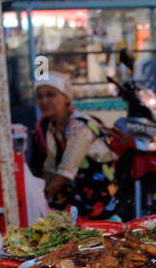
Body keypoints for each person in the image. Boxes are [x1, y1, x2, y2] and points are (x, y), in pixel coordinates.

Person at [35, 69, 116, 216]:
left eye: (50, 95)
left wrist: (42, 197)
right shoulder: (52, 127)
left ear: (66, 97)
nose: (44, 101)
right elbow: (50, 167)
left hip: (96, 194)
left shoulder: (79, 127)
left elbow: (66, 172)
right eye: (39, 96)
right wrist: (38, 192)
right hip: (73, 189)